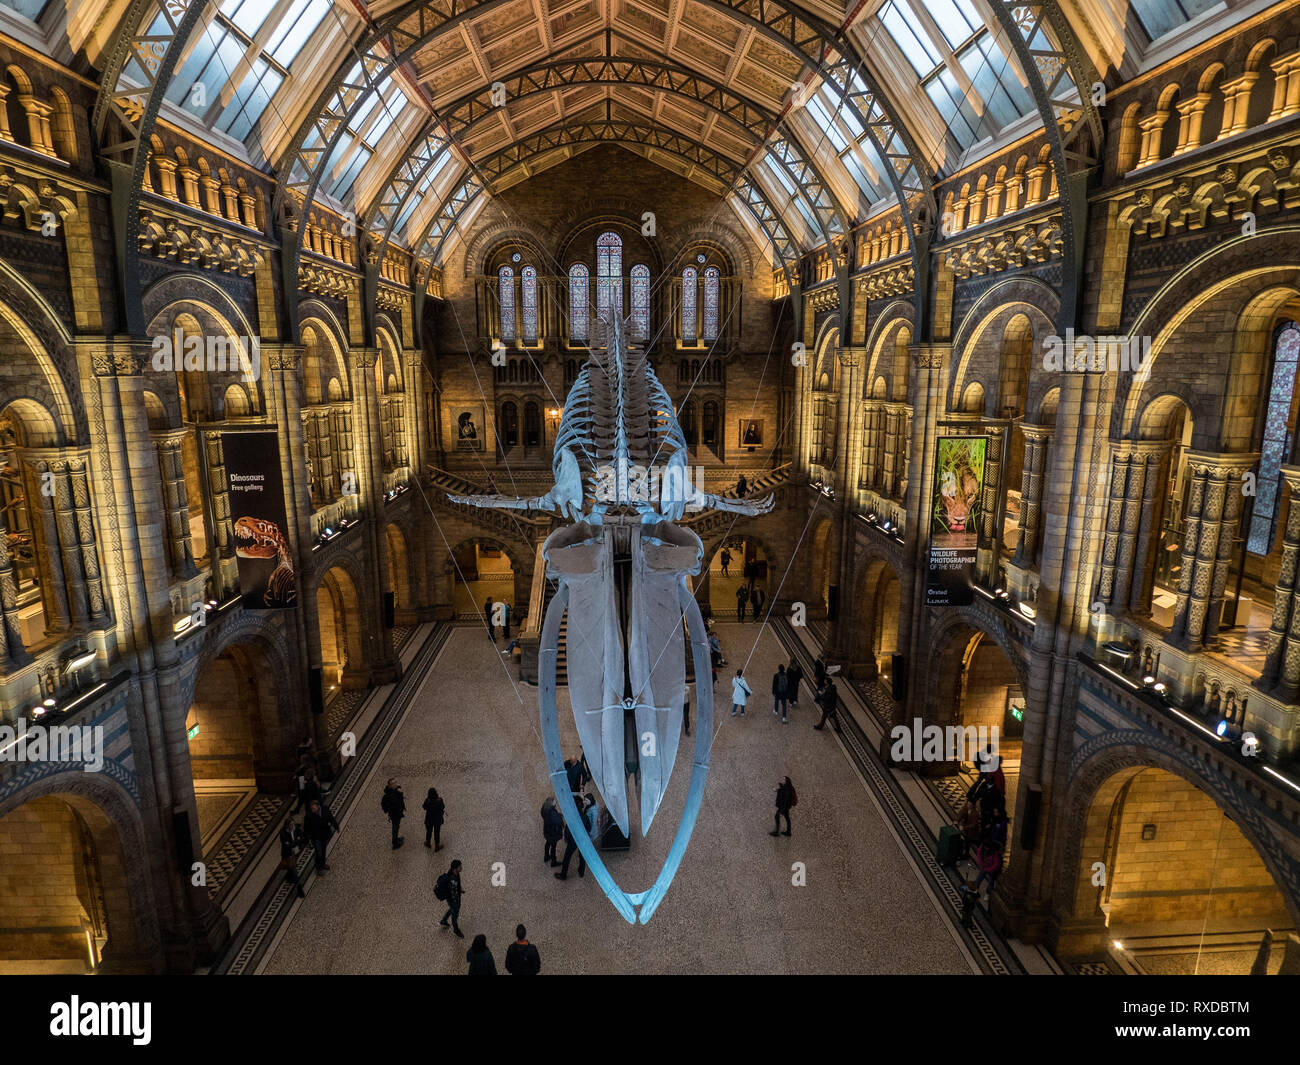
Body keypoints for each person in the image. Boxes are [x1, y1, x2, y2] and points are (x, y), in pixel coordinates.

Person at [304, 798, 340, 872]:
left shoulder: (325, 809)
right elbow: (306, 828)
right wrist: (307, 838)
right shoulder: (309, 815)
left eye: (313, 808)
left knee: (323, 850)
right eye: (311, 809)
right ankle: (318, 867)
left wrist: (336, 826)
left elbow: (330, 818)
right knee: (318, 853)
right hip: (316, 837)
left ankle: (323, 864)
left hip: (324, 834)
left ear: (318, 806)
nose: (312, 810)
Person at [278, 816, 306, 897]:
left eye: (293, 824)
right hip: (288, 855)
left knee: (291, 868)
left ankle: (289, 876)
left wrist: (294, 843)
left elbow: (302, 838)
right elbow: (287, 846)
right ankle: (299, 888)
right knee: (294, 871)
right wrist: (297, 841)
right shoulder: (283, 833)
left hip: (296, 852)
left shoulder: (296, 828)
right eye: (291, 825)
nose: (292, 826)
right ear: (287, 825)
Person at [437, 859, 464, 937]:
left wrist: (460, 889)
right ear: (455, 868)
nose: (461, 868)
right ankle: (456, 930)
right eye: (460, 867)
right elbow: (453, 892)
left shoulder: (454, 873)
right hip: (454, 900)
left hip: (452, 900)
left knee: (451, 909)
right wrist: (457, 901)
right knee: (455, 916)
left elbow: (457, 885)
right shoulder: (452, 880)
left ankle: (443, 921)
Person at [381, 778, 405, 849]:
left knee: (396, 826)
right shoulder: (390, 796)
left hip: (397, 813)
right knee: (395, 827)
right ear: (390, 785)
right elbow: (389, 805)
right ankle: (395, 843)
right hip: (395, 814)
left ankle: (396, 839)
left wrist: (399, 790)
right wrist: (389, 814)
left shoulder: (394, 790)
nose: (396, 784)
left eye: (395, 782)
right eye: (393, 783)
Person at [540, 796, 563, 867]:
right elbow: (558, 821)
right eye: (554, 801)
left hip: (547, 831)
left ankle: (546, 856)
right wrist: (560, 816)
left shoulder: (544, 807)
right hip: (553, 833)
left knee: (547, 843)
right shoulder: (552, 812)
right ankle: (554, 862)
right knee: (553, 847)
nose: (555, 802)